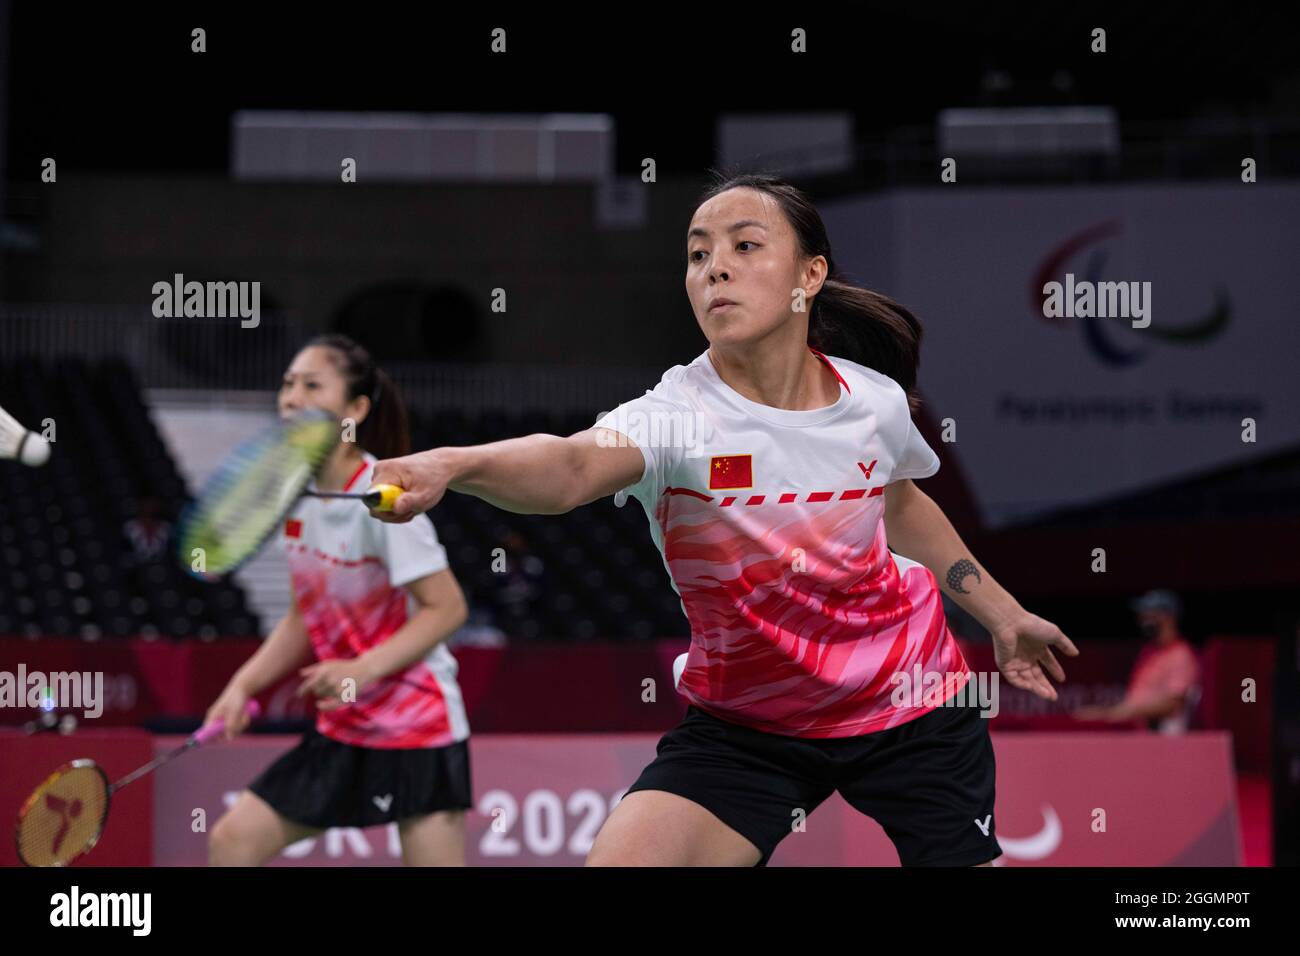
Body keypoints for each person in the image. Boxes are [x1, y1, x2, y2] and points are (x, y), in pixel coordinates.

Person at [367, 172, 1078, 867]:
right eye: (698, 253)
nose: (714, 270)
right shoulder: (678, 417)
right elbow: (571, 468)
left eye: (744, 246)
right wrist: (455, 465)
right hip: (749, 725)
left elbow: (898, 504)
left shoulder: (874, 402)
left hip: (910, 699)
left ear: (810, 275)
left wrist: (1002, 615)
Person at [205, 334, 472, 866]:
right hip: (346, 724)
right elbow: (305, 618)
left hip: (418, 726)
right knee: (233, 841)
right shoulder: (298, 498)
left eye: (311, 385)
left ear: (355, 409)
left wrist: (361, 668)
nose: (292, 398)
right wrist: (243, 686)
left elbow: (448, 608)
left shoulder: (382, 495)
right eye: (286, 385)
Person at [1074, 588, 1200, 733]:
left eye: (1148, 613)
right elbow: (1136, 702)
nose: (1142, 619)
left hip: (1162, 738)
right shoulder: (1150, 653)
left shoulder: (1181, 655)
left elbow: (1174, 704)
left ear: (1167, 616)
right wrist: (1109, 713)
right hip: (1137, 732)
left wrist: (1117, 714)